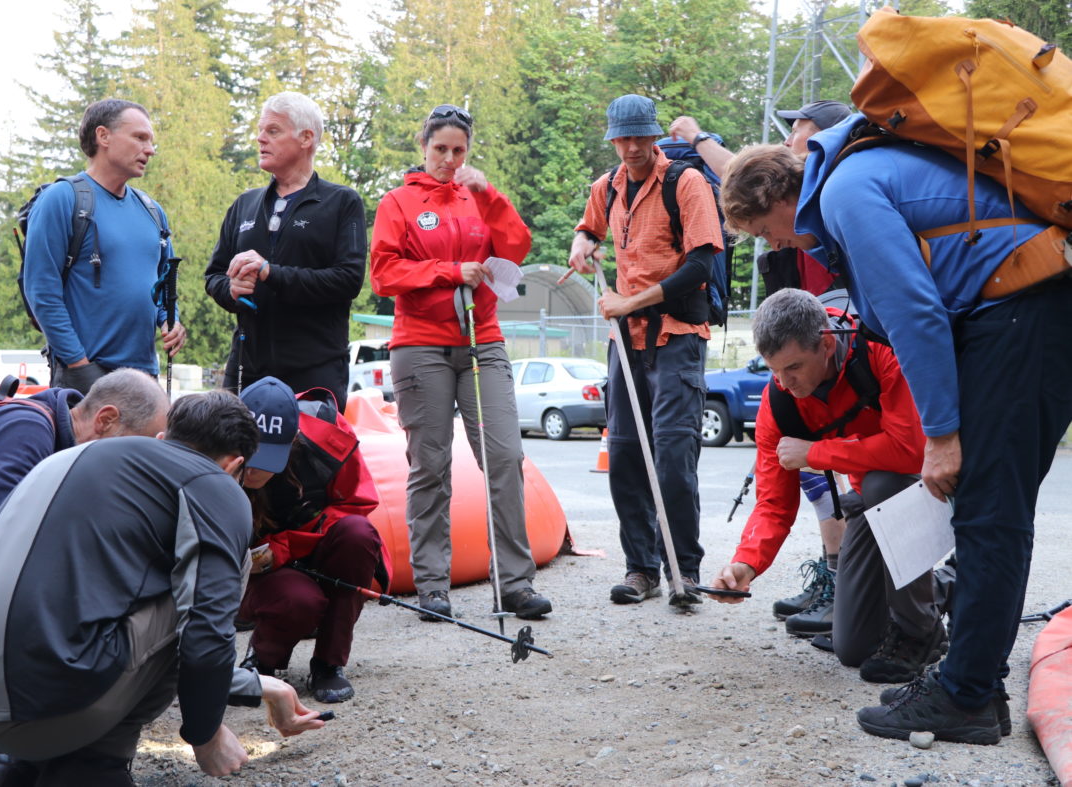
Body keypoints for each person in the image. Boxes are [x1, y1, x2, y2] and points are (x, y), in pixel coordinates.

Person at [718, 123, 1072, 744]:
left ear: (777, 199)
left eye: (763, 231)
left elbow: (914, 311)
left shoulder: (846, 194)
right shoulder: (854, 179)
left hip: (1022, 313)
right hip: (1019, 312)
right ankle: (972, 686)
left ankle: (965, 695)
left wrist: (940, 434)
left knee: (991, 513)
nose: (773, 244)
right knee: (988, 512)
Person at [0, 390, 327, 787]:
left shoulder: (71, 458)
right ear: (234, 465)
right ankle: (94, 768)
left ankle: (15, 768)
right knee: (211, 579)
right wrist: (205, 734)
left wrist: (258, 685)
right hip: (41, 713)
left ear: (162, 438)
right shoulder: (216, 485)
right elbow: (203, 631)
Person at [0, 368, 168, 770]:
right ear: (105, 420)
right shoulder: (24, 431)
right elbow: (15, 551)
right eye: (136, 450)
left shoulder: (51, 439)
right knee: (22, 595)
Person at [671, 99, 850, 626]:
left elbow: (747, 176)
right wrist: (747, 562)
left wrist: (698, 134)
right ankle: (836, 578)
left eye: (804, 129)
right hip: (804, 338)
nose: (793, 137)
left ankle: (858, 588)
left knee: (855, 475)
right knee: (815, 474)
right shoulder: (798, 205)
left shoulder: (832, 196)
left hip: (843, 344)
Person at [370, 103, 551, 621]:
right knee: (430, 465)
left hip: (482, 340)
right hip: (420, 344)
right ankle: (432, 586)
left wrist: (490, 196)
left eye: (459, 151)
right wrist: (450, 272)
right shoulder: (399, 202)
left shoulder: (480, 197)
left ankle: (514, 584)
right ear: (423, 148)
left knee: (504, 456)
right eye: (441, 149)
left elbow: (516, 247)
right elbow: (384, 273)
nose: (450, 159)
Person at [708, 288, 945, 683]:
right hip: (871, 506)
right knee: (852, 649)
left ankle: (921, 630)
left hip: (928, 483)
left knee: (885, 483)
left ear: (827, 343)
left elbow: (909, 450)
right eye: (774, 370)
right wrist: (745, 564)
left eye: (794, 367)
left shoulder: (881, 348)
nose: (785, 382)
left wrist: (816, 453)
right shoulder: (779, 401)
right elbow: (773, 503)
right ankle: (943, 587)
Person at [567, 94, 722, 607]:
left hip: (677, 335)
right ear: (612, 138)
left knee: (674, 455)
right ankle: (642, 569)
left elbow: (700, 266)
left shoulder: (687, 182)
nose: (632, 147)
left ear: (656, 136)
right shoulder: (606, 187)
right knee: (627, 455)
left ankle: (685, 570)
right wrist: (582, 242)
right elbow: (588, 227)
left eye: (641, 137)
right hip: (624, 340)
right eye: (623, 138)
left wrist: (631, 300)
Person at [204, 91, 367, 411]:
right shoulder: (244, 204)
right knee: (236, 461)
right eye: (260, 130)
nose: (259, 138)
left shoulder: (343, 202)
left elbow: (348, 280)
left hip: (315, 372)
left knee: (307, 462)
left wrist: (270, 273)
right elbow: (213, 276)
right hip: (246, 370)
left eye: (272, 131)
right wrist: (231, 289)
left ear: (306, 138)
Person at [236, 377, 390, 704]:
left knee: (358, 535)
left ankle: (328, 663)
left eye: (266, 458)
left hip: (315, 551)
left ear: (293, 440)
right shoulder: (215, 446)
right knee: (299, 600)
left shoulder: (328, 440)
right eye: (248, 453)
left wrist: (287, 545)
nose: (252, 469)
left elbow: (357, 505)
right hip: (260, 573)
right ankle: (261, 659)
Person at [23, 98, 186, 394]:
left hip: (144, 379)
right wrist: (78, 364)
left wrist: (170, 321)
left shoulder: (152, 210)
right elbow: (41, 292)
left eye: (151, 141)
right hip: (84, 377)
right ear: (103, 136)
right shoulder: (62, 199)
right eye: (139, 137)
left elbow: (164, 285)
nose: (149, 149)